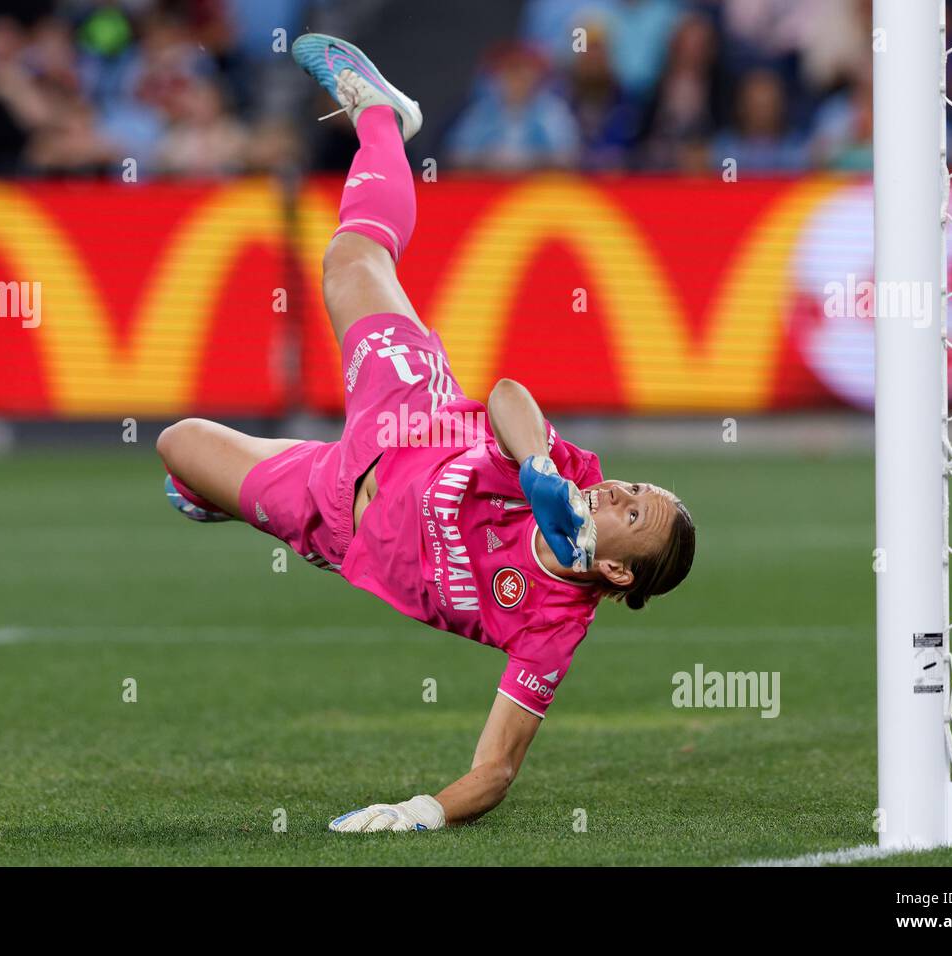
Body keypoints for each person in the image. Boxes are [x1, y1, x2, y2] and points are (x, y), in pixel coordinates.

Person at [156, 34, 695, 833]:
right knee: (350, 260)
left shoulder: (550, 630)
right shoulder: (570, 473)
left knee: (177, 447)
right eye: (637, 487)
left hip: (340, 518)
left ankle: (237, 495)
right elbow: (509, 395)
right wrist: (540, 468)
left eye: (632, 510)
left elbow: (496, 771)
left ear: (615, 569)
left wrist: (418, 812)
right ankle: (382, 117)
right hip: (412, 413)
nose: (619, 490)